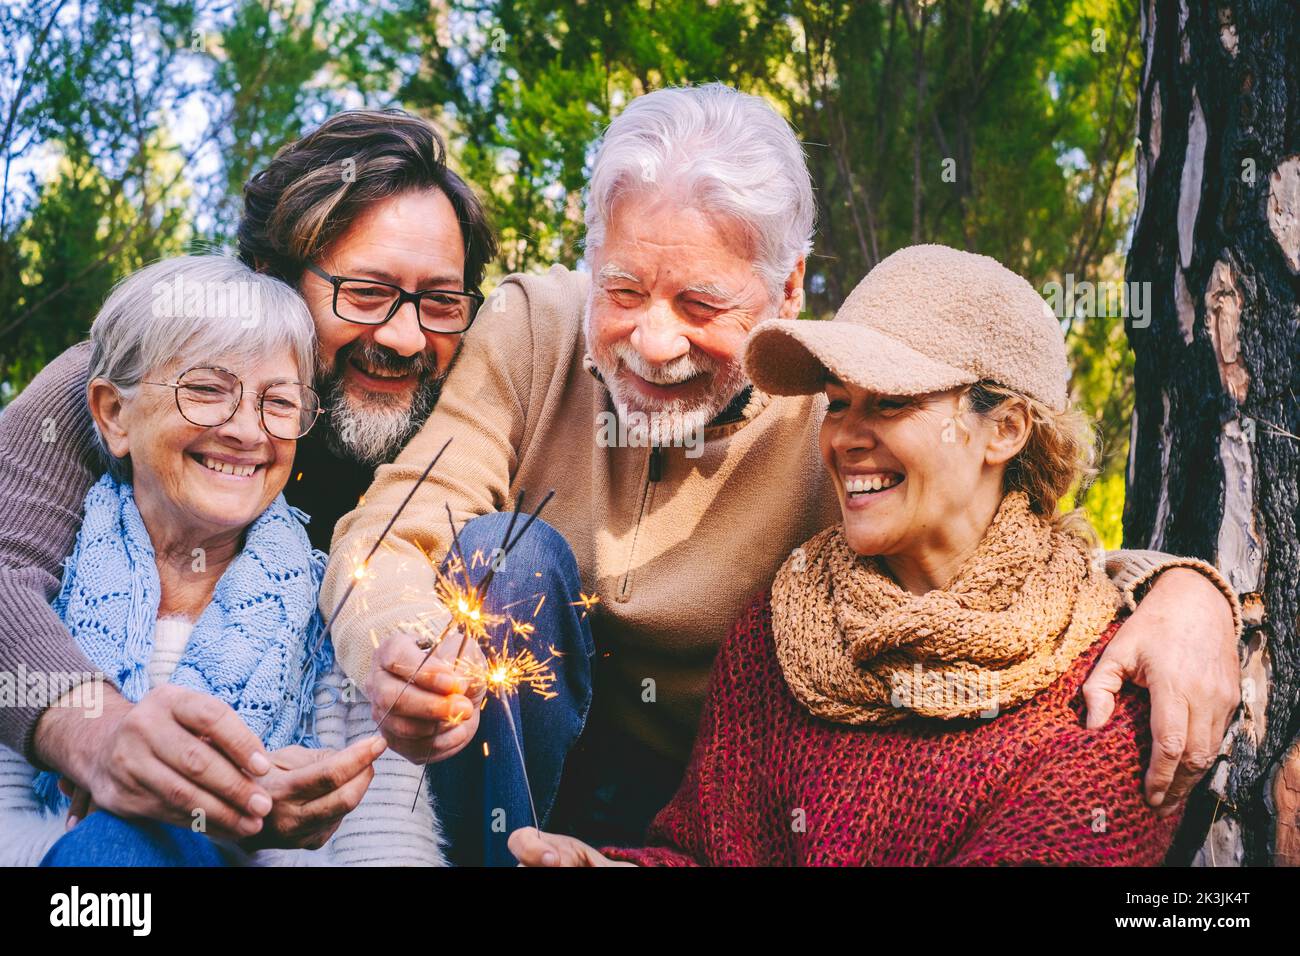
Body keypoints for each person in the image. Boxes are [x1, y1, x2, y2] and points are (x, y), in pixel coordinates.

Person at [321, 85, 1244, 866]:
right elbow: (398, 524)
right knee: (501, 559)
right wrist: (402, 652)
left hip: (703, 802)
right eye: (625, 289)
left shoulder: (840, 402)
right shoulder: (530, 328)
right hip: (517, 754)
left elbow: (1009, 547)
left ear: (789, 290)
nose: (652, 341)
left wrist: (1182, 590)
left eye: (702, 303)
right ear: (590, 257)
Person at [507, 244, 1218, 866]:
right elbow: (701, 853)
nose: (847, 436)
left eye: (888, 403)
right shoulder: (780, 633)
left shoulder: (1106, 673)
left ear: (1004, 430)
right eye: (838, 402)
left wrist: (1199, 590)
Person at [0, 109, 495, 848]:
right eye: (365, 293)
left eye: (440, 302)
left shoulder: (464, 420)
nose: (404, 336)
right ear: (272, 279)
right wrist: (104, 738)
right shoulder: (129, 380)